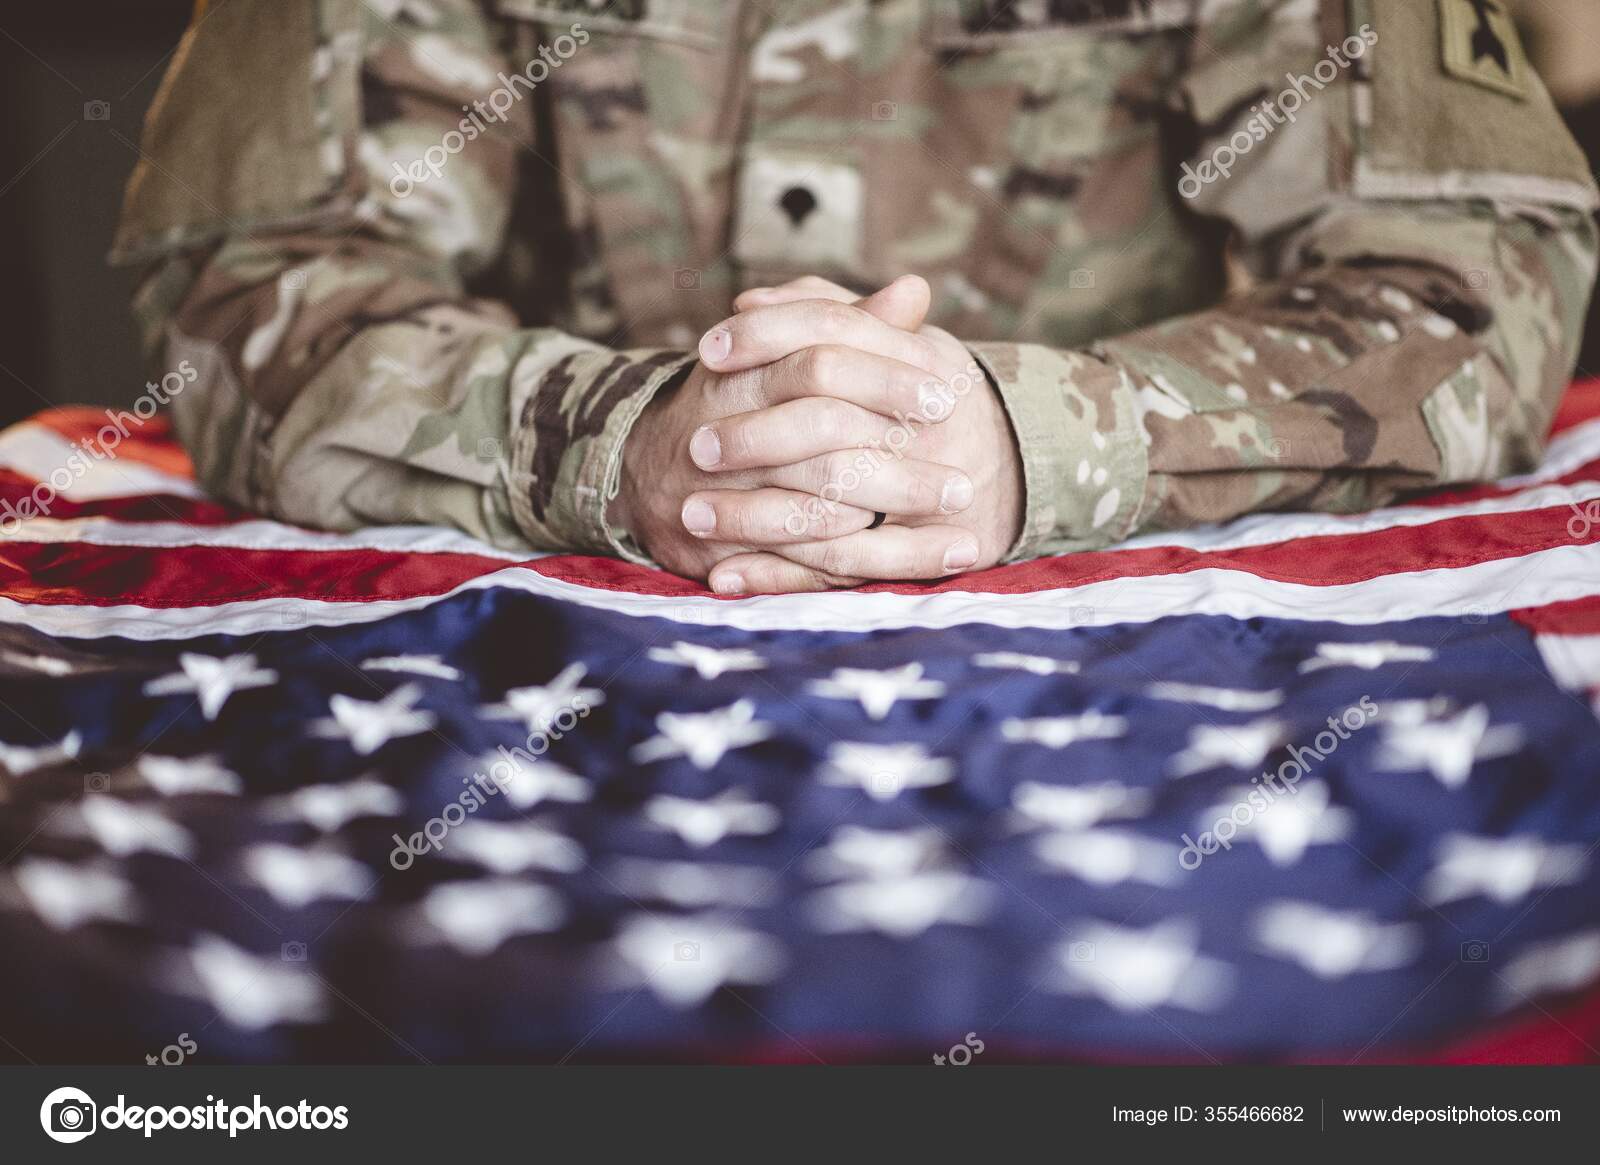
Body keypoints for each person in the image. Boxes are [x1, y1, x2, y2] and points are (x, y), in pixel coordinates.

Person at [112, 0, 1597, 594]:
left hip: (1112, 639)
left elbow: (1483, 270)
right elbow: (243, 290)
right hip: (541, 636)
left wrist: (1040, 438)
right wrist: (611, 439)